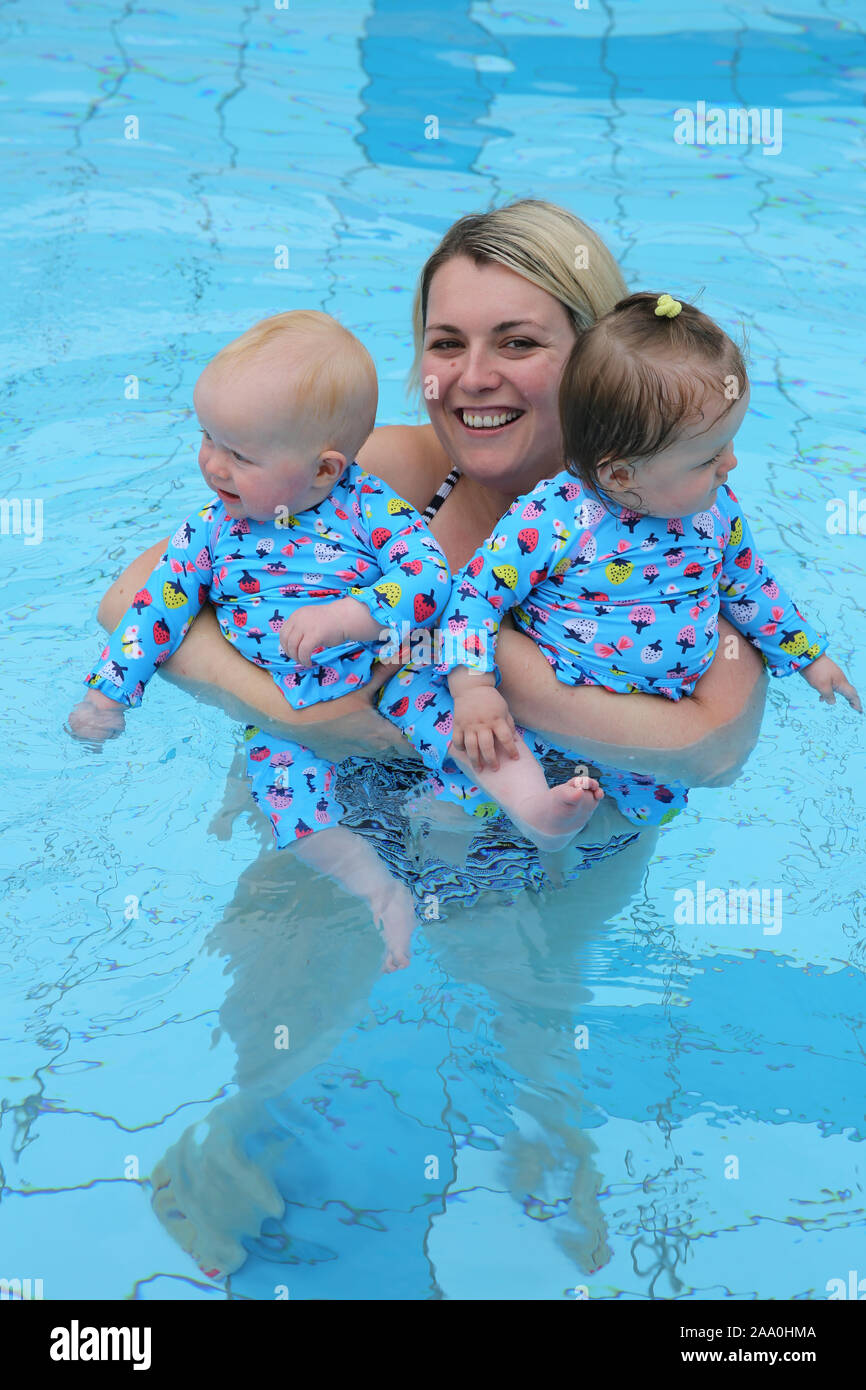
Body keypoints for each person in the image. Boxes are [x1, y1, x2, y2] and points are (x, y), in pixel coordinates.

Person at [95, 201, 771, 850]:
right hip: (333, 836)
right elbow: (129, 597)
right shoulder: (389, 477)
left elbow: (713, 750)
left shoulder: (675, 518)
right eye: (447, 344)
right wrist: (293, 712)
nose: (473, 377)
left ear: (597, 359)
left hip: (562, 864)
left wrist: (466, 651)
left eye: (517, 342)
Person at [392, 292, 860, 848]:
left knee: (634, 821)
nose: (730, 465)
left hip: (647, 728)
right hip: (534, 726)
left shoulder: (715, 511)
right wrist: (473, 689)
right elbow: (474, 596)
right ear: (619, 476)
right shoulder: (556, 517)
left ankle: (573, 836)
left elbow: (749, 586)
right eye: (709, 457)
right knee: (470, 785)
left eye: (729, 444)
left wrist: (807, 656)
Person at [68, 310, 451, 969]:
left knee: (465, 732)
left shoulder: (370, 509)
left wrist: (351, 617)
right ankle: (379, 890)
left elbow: (430, 579)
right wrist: (108, 694)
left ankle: (475, 809)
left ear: (325, 469)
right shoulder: (211, 530)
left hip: (393, 684)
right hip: (286, 711)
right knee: (288, 806)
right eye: (208, 438)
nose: (212, 464)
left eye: (240, 455)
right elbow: (155, 609)